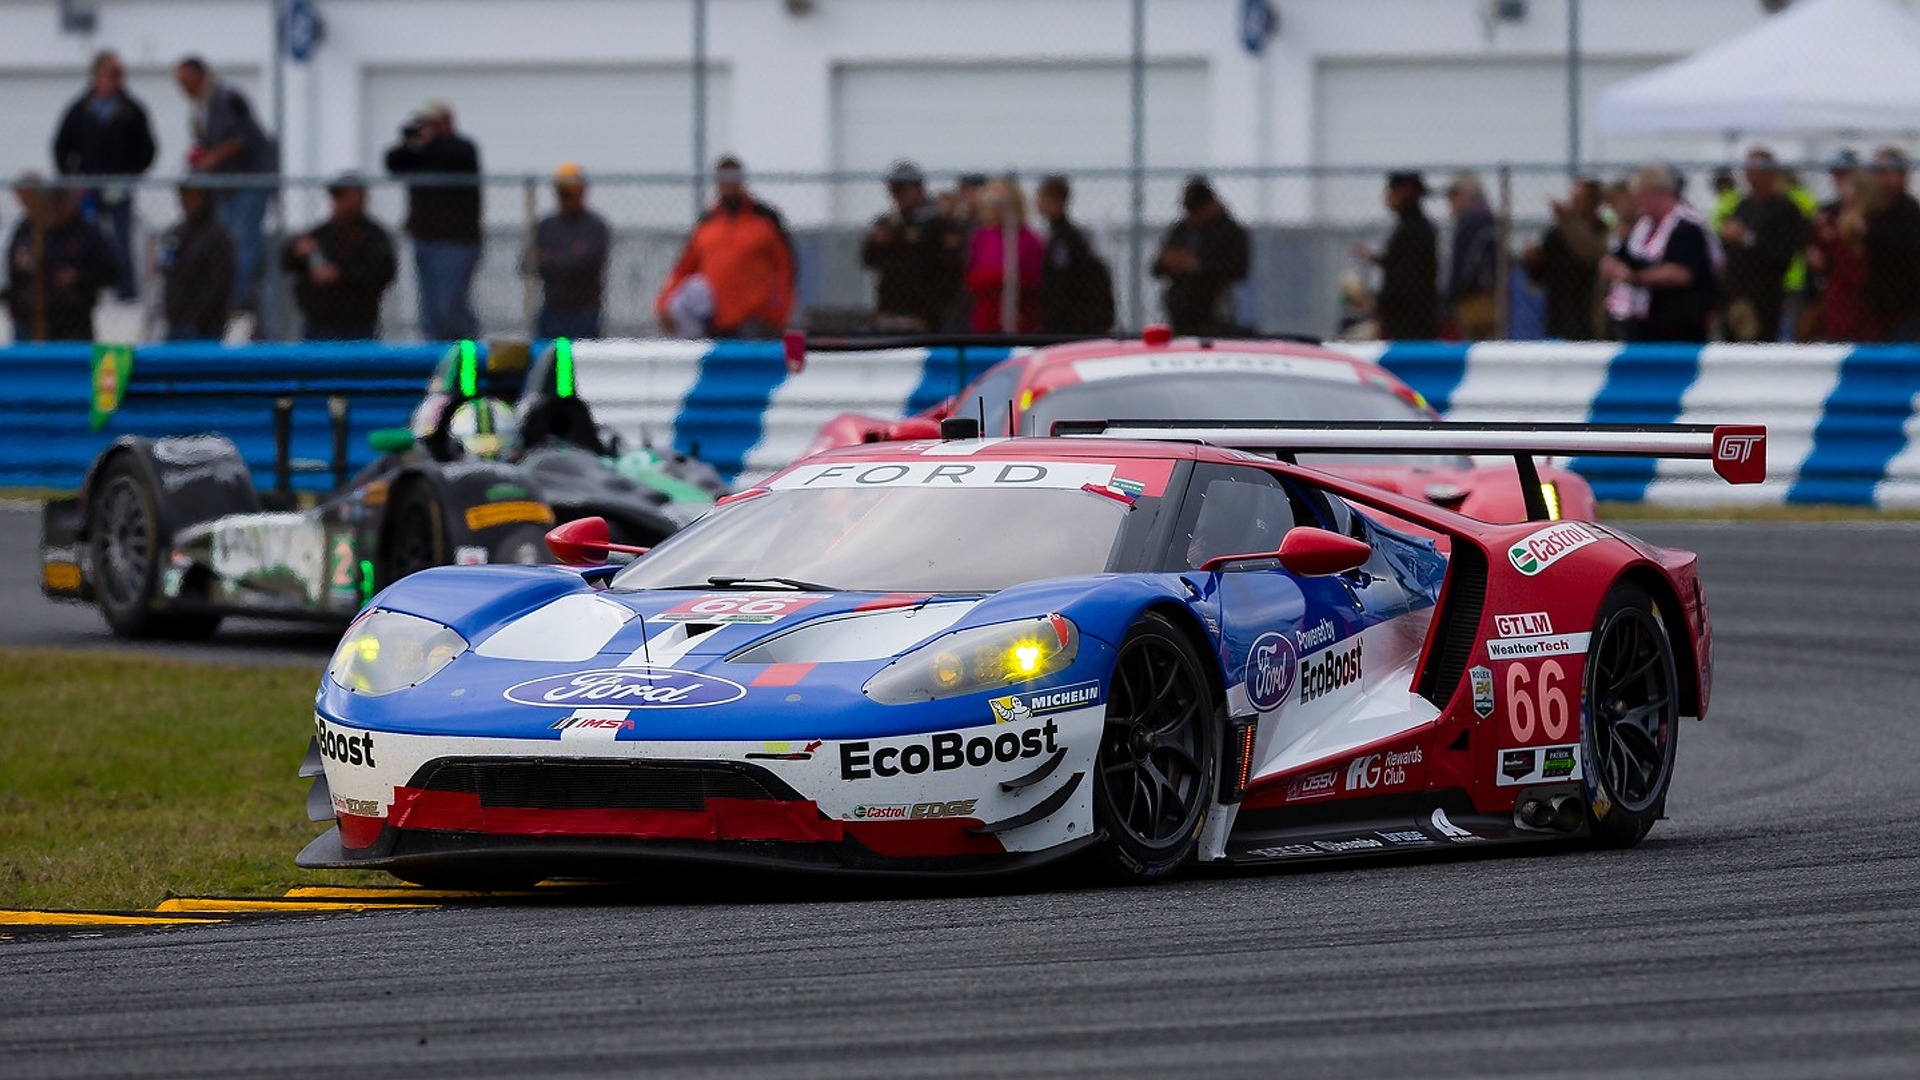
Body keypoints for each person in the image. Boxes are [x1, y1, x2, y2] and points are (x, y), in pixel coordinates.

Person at [51, 50, 157, 301]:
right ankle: (91, 289)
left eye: (120, 74)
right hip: (88, 188)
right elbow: (61, 146)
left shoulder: (131, 110)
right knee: (87, 238)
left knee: (121, 238)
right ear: (97, 75)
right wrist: (72, 180)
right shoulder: (79, 110)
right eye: (111, 74)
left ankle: (126, 290)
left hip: (118, 186)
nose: (116, 80)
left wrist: (131, 174)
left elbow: (147, 148)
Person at [174, 56, 275, 316]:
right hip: (225, 186)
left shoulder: (228, 98)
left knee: (244, 241)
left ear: (199, 75)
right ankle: (229, 294)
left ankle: (238, 299)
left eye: (185, 80)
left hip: (248, 180)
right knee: (226, 242)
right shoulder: (200, 108)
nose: (182, 87)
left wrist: (213, 158)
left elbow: (245, 136)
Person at [655, 156, 794, 338]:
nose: (728, 185)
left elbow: (786, 269)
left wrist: (780, 315)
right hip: (715, 323)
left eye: (732, 178)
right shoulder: (707, 223)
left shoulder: (765, 219)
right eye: (724, 179)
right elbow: (683, 269)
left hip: (755, 321)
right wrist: (665, 304)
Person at [384, 99, 482, 340]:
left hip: (457, 240)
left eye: (432, 124)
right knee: (429, 306)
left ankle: (465, 346)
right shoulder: (418, 153)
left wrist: (431, 141)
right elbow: (392, 162)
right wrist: (408, 142)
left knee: (450, 301)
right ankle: (435, 354)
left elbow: (456, 156)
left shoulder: (461, 148)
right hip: (425, 237)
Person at [1601, 164, 1721, 343]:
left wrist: (1635, 277)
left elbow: (1681, 273)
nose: (1638, 204)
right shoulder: (1644, 227)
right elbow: (1640, 258)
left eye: (1641, 197)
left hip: (1681, 324)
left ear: (1656, 194)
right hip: (1645, 322)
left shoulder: (1686, 227)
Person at [281, 174, 398, 340]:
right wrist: (296, 252)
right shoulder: (321, 234)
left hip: (358, 322)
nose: (337, 202)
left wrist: (340, 274)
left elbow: (384, 271)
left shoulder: (374, 237)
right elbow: (289, 263)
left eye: (343, 196)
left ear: (360, 197)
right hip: (319, 322)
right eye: (336, 197)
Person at [3, 177, 116, 341]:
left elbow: (111, 273)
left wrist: (78, 277)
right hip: (30, 320)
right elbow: (15, 270)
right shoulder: (28, 230)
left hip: (73, 323)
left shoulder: (87, 233)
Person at [1717, 148, 1811, 342]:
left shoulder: (1785, 209)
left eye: (1756, 171)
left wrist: (1747, 238)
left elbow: (1782, 254)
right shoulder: (1743, 205)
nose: (1749, 177)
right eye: (1747, 170)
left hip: (1764, 296)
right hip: (1735, 293)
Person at [860, 159, 961, 333]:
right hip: (891, 308)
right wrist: (876, 242)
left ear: (919, 189)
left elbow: (947, 267)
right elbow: (869, 260)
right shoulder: (887, 223)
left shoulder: (937, 223)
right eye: (894, 192)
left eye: (904, 191)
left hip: (923, 312)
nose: (899, 197)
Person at [1150, 177, 1250, 335]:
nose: (1192, 215)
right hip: (1181, 311)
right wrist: (1169, 262)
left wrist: (1197, 265)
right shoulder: (1182, 230)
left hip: (1215, 311)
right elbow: (1156, 268)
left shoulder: (1230, 232)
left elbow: (1238, 269)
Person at [529, 161, 611, 339]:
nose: (567, 199)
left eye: (571, 193)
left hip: (584, 313)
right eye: (563, 194)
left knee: (580, 364)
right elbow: (527, 263)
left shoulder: (595, 227)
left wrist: (550, 259)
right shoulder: (547, 226)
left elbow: (585, 265)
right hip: (552, 310)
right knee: (547, 363)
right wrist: (567, 257)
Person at [1522, 179, 1608, 340]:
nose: (1574, 204)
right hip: (1561, 313)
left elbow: (1591, 252)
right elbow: (1540, 276)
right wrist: (1533, 261)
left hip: (1591, 311)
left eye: (1579, 199)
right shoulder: (1556, 236)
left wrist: (1569, 222)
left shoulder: (1603, 233)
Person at [963, 175, 1044, 334]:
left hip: (1020, 320)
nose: (997, 208)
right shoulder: (981, 237)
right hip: (986, 320)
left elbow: (1034, 279)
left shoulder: (1029, 239)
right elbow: (972, 277)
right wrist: (998, 279)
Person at [1035, 174, 1115, 334]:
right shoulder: (1060, 236)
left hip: (1068, 323)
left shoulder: (1065, 239)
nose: (1037, 204)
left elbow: (1061, 282)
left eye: (1041, 198)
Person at [1365, 171, 1439, 340]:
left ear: (1404, 192)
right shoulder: (1416, 228)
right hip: (1414, 316)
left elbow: (1403, 277)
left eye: (1391, 191)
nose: (1386, 197)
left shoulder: (1412, 231)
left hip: (1409, 319)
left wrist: (1380, 306)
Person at [158, 183, 232, 340]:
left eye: (194, 197)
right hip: (176, 321)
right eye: (185, 197)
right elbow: (167, 269)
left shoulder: (217, 237)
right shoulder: (176, 234)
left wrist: (198, 318)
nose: (189, 202)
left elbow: (220, 283)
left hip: (206, 325)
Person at [1862, 147, 1920, 342]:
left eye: (1884, 172)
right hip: (1874, 305)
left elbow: (1903, 243)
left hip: (1904, 304)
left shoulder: (1908, 211)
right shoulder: (1871, 209)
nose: (1878, 179)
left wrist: (1868, 232)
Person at [1445, 172, 1499, 340]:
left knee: (1475, 342)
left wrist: (1452, 295)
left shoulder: (1470, 222)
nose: (1450, 203)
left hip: (1475, 298)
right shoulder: (1488, 219)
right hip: (1491, 295)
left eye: (1454, 196)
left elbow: (1464, 264)